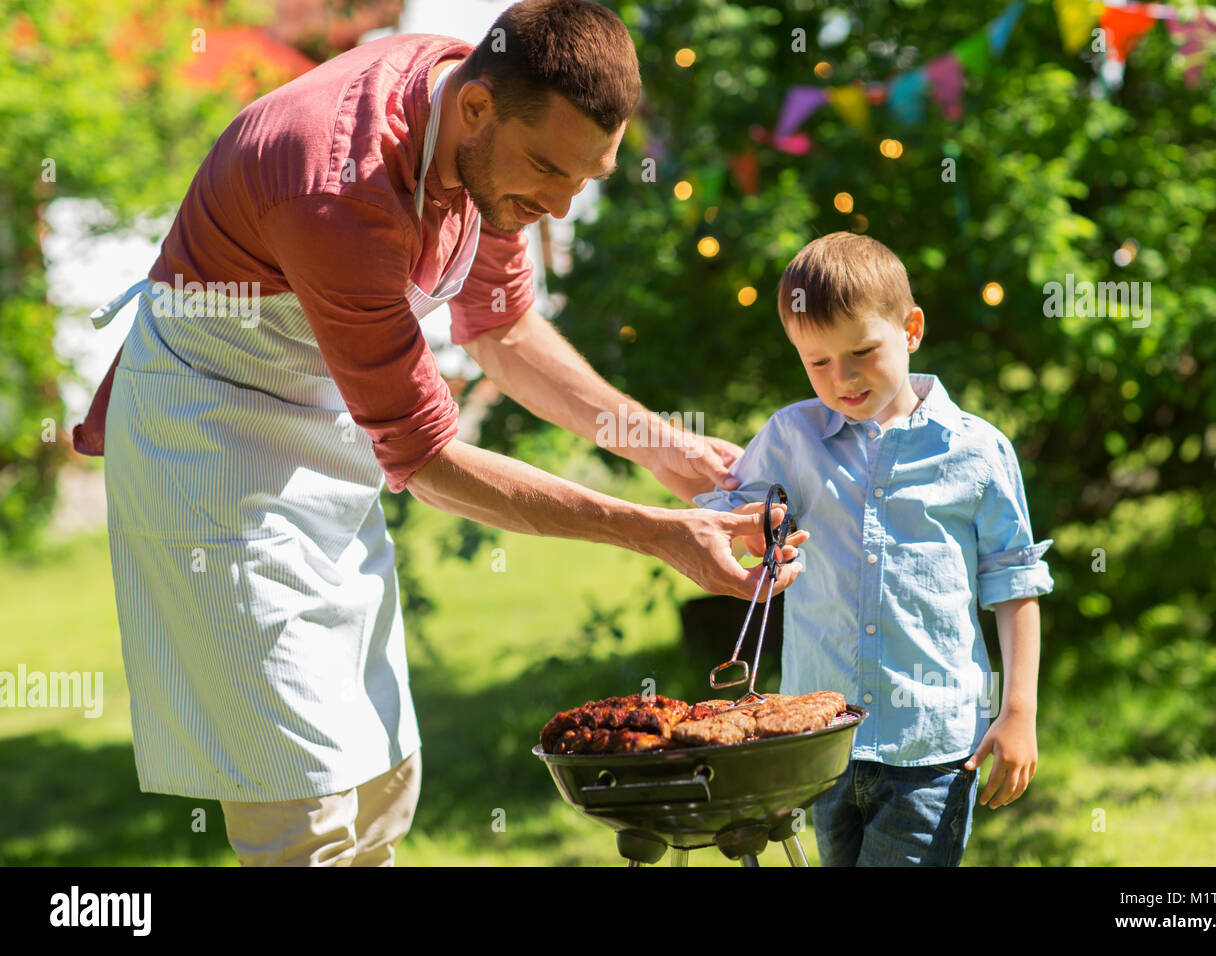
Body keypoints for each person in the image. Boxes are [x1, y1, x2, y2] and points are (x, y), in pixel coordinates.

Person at [69, 0, 802, 866]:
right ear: (477, 108)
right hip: (214, 446)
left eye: (585, 178)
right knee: (303, 811)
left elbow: (502, 330)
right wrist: (656, 533)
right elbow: (426, 457)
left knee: (383, 777)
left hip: (330, 434)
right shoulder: (337, 187)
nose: (561, 206)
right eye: (546, 171)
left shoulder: (484, 144)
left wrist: (664, 448)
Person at [694, 231, 1053, 866]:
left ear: (911, 329)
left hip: (933, 750)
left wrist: (1018, 710)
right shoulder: (789, 438)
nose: (843, 377)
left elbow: (1014, 582)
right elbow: (717, 525)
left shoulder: (977, 451)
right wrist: (751, 529)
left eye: (862, 351)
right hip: (819, 740)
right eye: (817, 362)